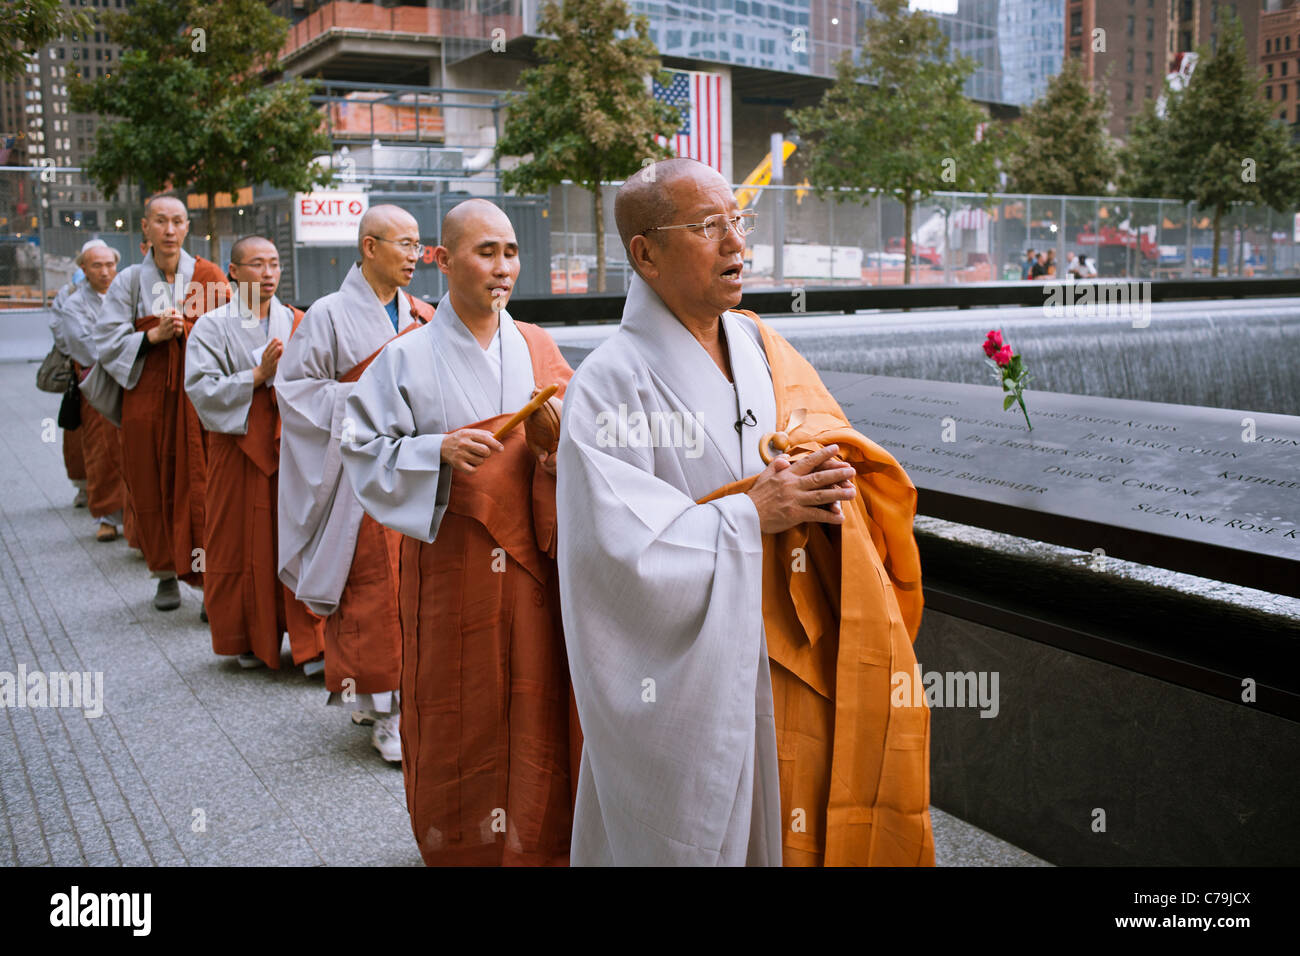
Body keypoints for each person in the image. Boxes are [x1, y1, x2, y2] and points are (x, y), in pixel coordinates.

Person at [556, 158, 933, 866]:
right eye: (708, 227)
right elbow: (612, 558)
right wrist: (748, 516)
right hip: (701, 675)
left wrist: (825, 479)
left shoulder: (765, 346)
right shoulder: (607, 385)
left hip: (797, 644)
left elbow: (826, 437)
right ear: (645, 253)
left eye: (738, 221)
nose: (737, 246)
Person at [340, 199, 579, 864]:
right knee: (459, 699)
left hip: (533, 562)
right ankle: (460, 839)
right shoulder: (404, 358)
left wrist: (556, 448)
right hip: (452, 560)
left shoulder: (537, 346)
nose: (502, 268)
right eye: (485, 252)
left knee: (536, 695)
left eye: (510, 252)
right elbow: (360, 447)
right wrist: (431, 452)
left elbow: (586, 446)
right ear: (444, 260)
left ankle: (537, 836)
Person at [276, 205, 435, 762]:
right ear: (370, 247)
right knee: (371, 587)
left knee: (411, 586)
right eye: (405, 244)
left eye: (420, 245)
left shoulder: (419, 314)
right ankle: (385, 713)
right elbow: (294, 391)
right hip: (357, 475)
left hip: (411, 467)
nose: (417, 255)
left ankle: (398, 698)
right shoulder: (327, 314)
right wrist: (364, 398)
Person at [185, 236, 327, 673]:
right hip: (238, 446)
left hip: (291, 447)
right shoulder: (211, 325)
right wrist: (256, 375)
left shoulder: (298, 321)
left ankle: (310, 643)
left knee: (299, 538)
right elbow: (200, 388)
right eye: (256, 265)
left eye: (274, 264)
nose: (268, 274)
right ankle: (248, 636)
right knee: (241, 540)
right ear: (232, 272)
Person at [91, 196, 228, 612]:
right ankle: (165, 575)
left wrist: (194, 331)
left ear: (188, 228)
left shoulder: (209, 276)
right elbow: (106, 339)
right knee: (149, 485)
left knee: (203, 487)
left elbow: (233, 333)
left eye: (177, 222)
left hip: (197, 399)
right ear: (145, 229)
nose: (169, 230)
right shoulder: (129, 280)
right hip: (146, 401)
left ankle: (208, 582)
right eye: (160, 222)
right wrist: (150, 337)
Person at [55, 239, 130, 543]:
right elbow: (84, 347)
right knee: (100, 449)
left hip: (132, 377)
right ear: (83, 269)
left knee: (134, 449)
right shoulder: (74, 304)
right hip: (99, 382)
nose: (105, 271)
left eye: (110, 264)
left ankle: (136, 517)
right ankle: (106, 516)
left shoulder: (128, 294)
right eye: (96, 265)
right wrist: (126, 352)